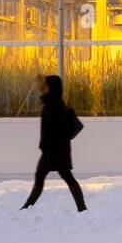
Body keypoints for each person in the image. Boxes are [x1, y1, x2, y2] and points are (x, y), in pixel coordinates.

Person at [20, 74, 87, 212]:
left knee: (44, 175)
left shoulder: (54, 105)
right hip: (57, 150)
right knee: (62, 176)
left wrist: (47, 145)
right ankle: (82, 207)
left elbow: (54, 129)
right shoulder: (54, 103)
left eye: (46, 86)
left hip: (54, 150)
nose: (43, 89)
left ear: (52, 88)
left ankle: (27, 207)